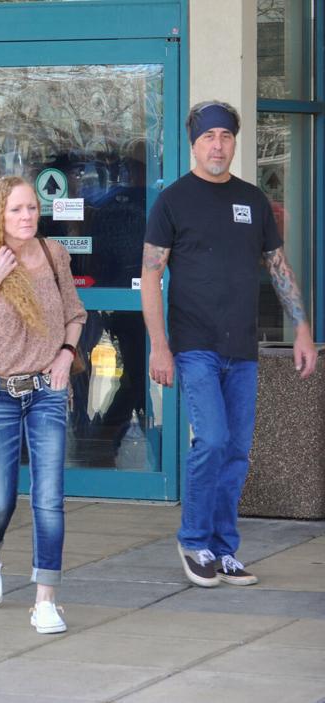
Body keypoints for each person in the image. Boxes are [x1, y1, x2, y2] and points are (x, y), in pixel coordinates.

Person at [142, 100, 317, 589]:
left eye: (225, 137)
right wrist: (159, 346)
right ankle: (194, 539)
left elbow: (278, 266)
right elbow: (151, 275)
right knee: (212, 441)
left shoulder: (253, 200)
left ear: (234, 142)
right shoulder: (173, 201)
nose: (217, 146)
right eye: (208, 138)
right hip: (194, 345)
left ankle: (223, 549)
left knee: (237, 451)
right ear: (193, 143)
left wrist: (301, 329)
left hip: (243, 347)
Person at [0, 175, 87, 634]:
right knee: (0, 502)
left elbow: (74, 314)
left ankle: (46, 599)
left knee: (49, 499)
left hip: (46, 389)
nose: (26, 217)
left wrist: (66, 355)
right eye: (16, 210)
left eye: (31, 208)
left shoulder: (53, 255)